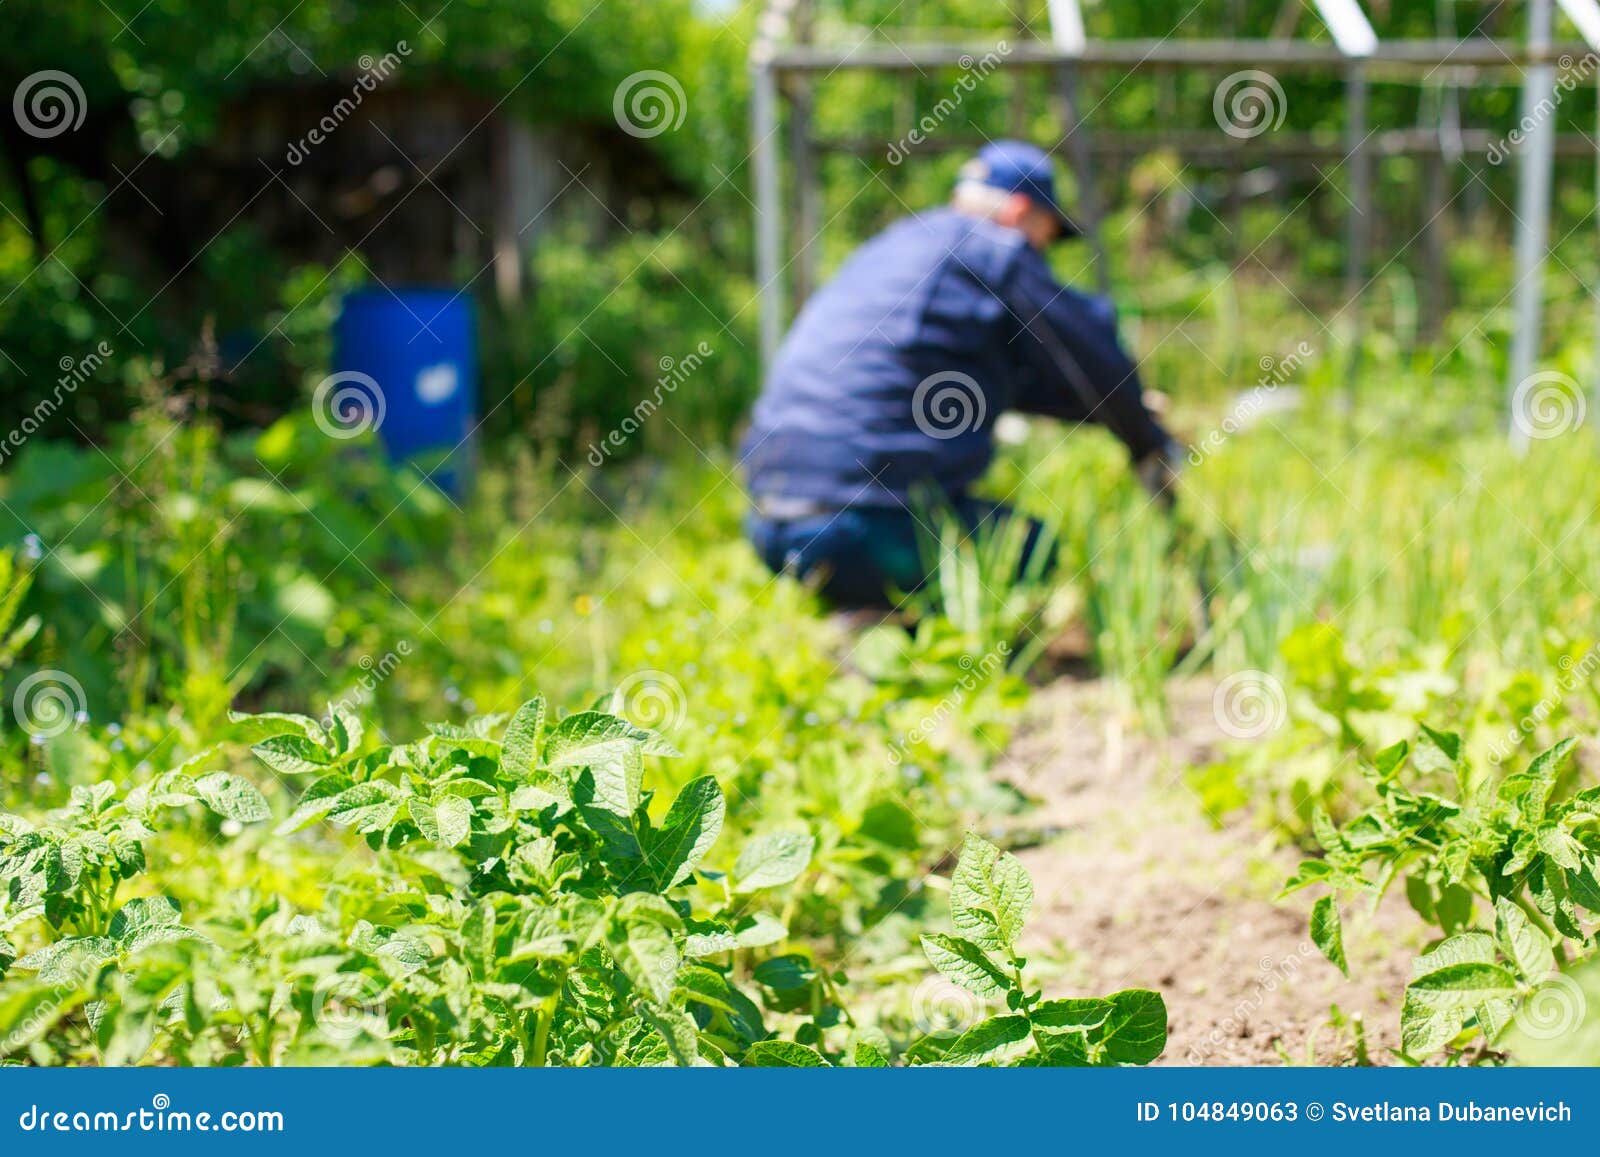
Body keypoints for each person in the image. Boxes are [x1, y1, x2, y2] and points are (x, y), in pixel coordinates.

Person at [739, 140, 1183, 609]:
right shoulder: (993, 250)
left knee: (926, 519)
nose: (1042, 253)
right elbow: (1093, 355)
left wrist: (1108, 411)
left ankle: (873, 622)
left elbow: (1013, 382)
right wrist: (1148, 439)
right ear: (1019, 212)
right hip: (863, 532)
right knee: (1031, 548)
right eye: (1045, 236)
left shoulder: (897, 246)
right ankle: (891, 624)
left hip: (771, 525)